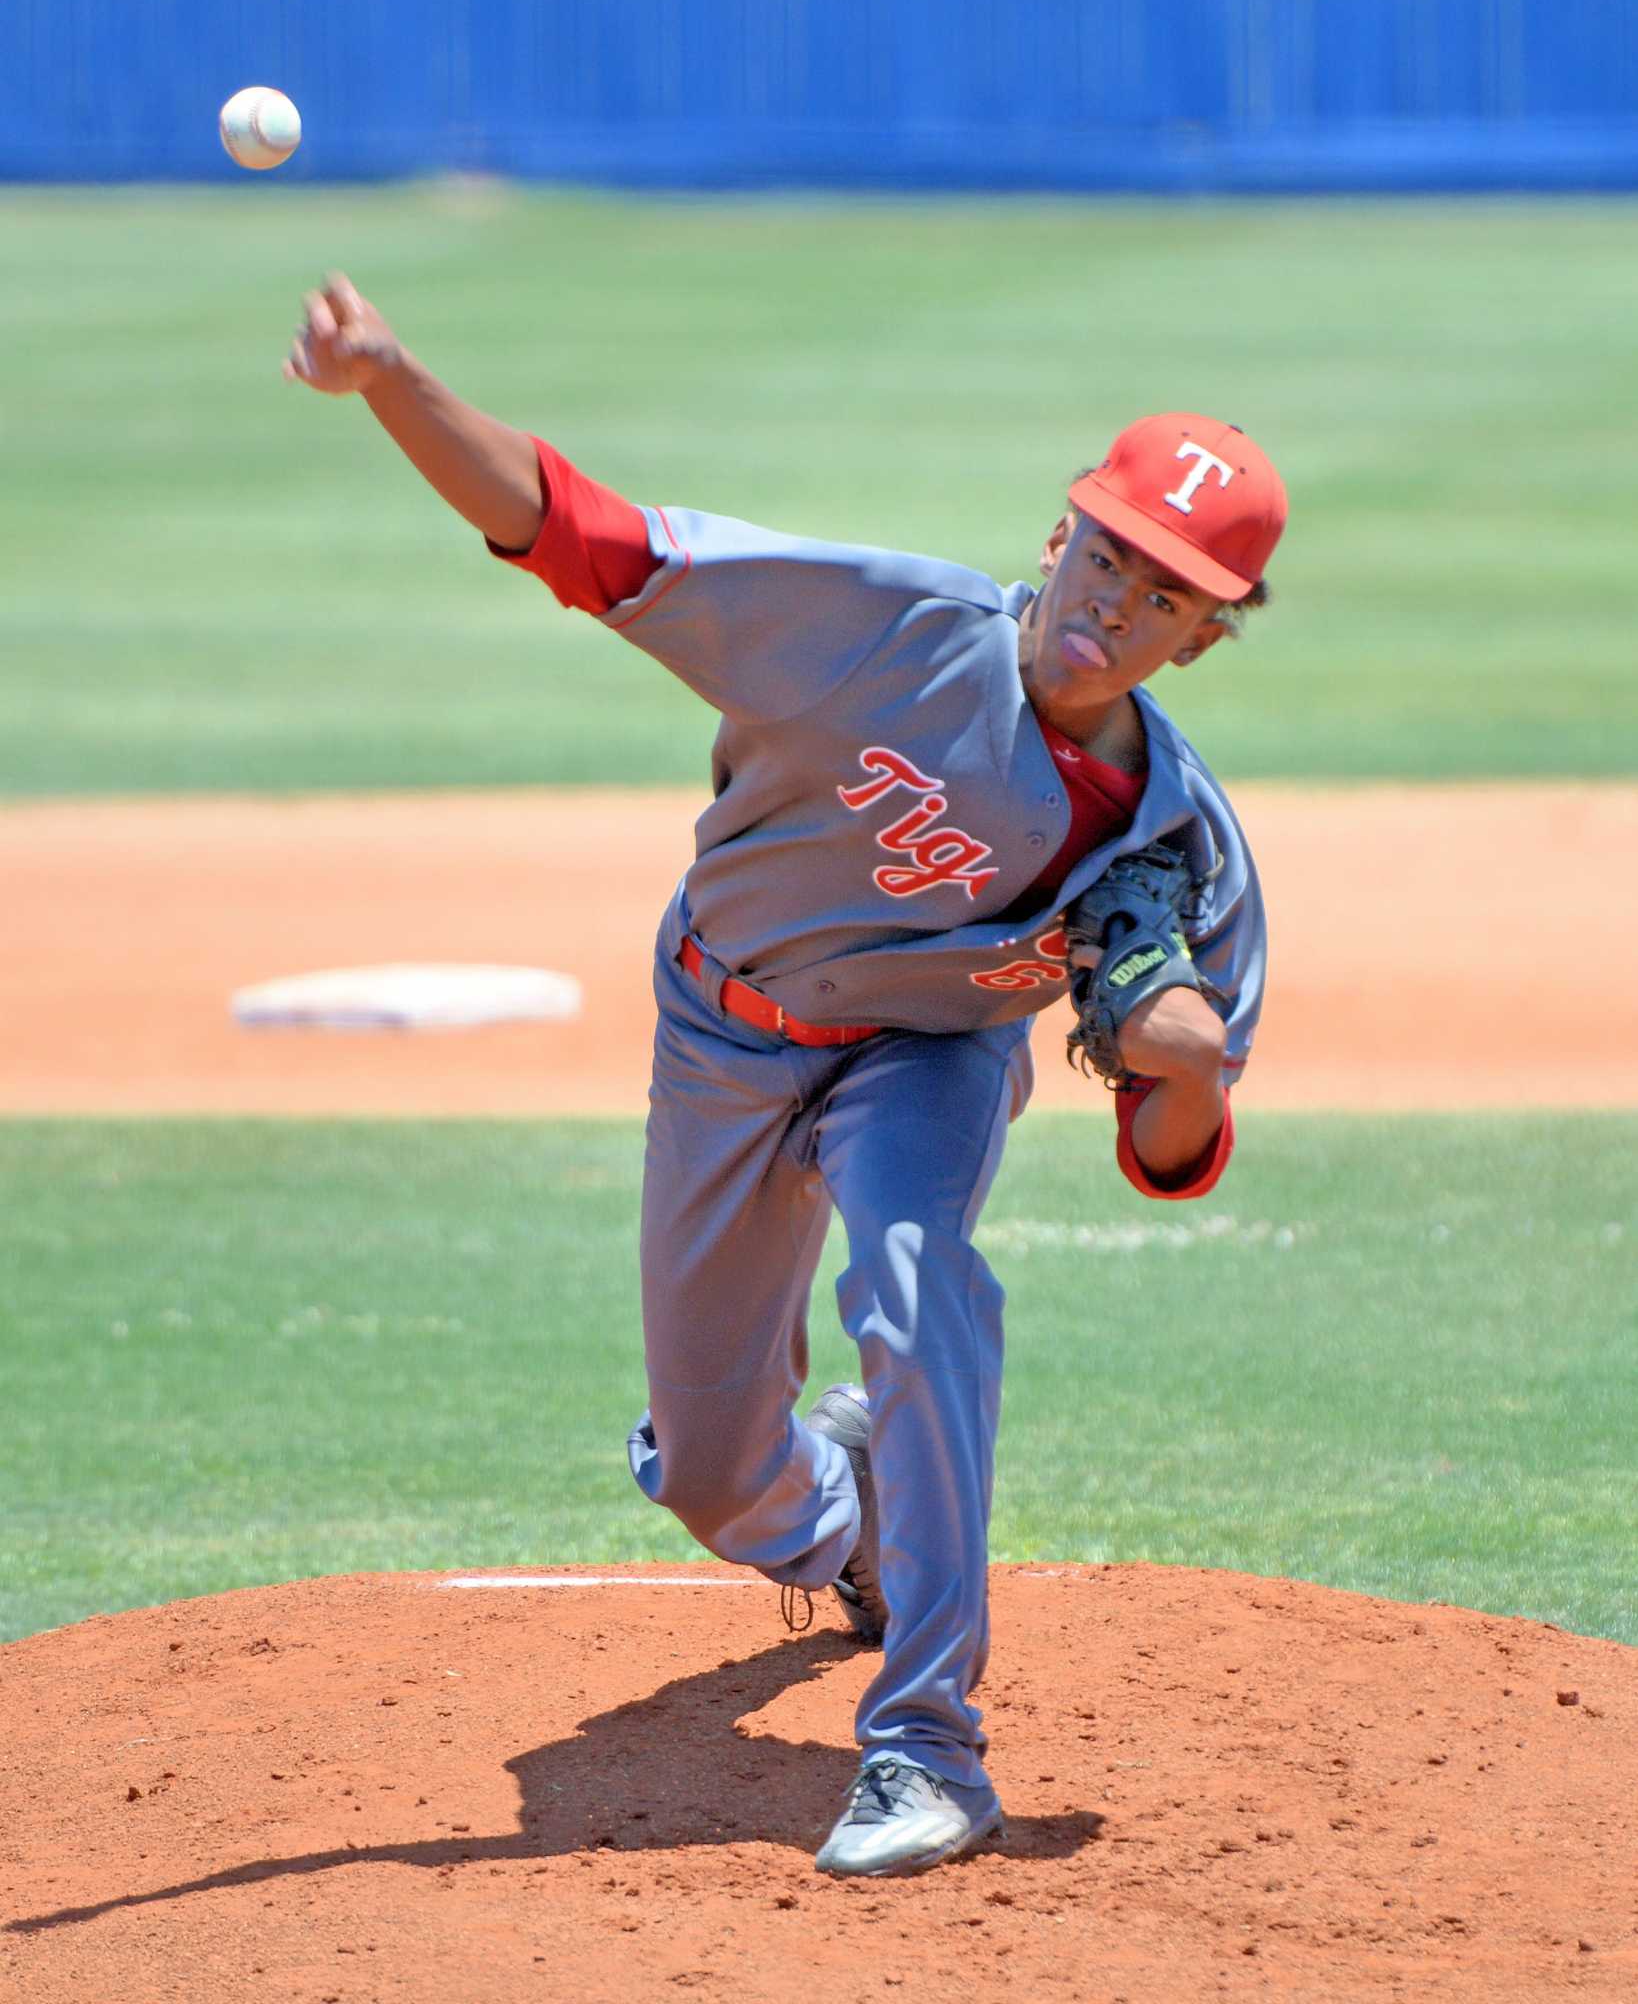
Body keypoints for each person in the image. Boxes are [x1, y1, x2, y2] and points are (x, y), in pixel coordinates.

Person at [284, 274, 1285, 1879]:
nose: (1115, 601)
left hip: (925, 1059)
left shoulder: (1182, 846)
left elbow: (1170, 1158)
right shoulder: (880, 633)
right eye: (1105, 554)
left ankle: (926, 1748)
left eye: (1164, 594)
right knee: (710, 1474)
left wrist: (1184, 1070)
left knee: (921, 1291)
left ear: (1203, 636)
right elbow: (585, 539)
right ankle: (853, 1520)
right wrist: (394, 379)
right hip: (721, 1029)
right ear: (1057, 536)